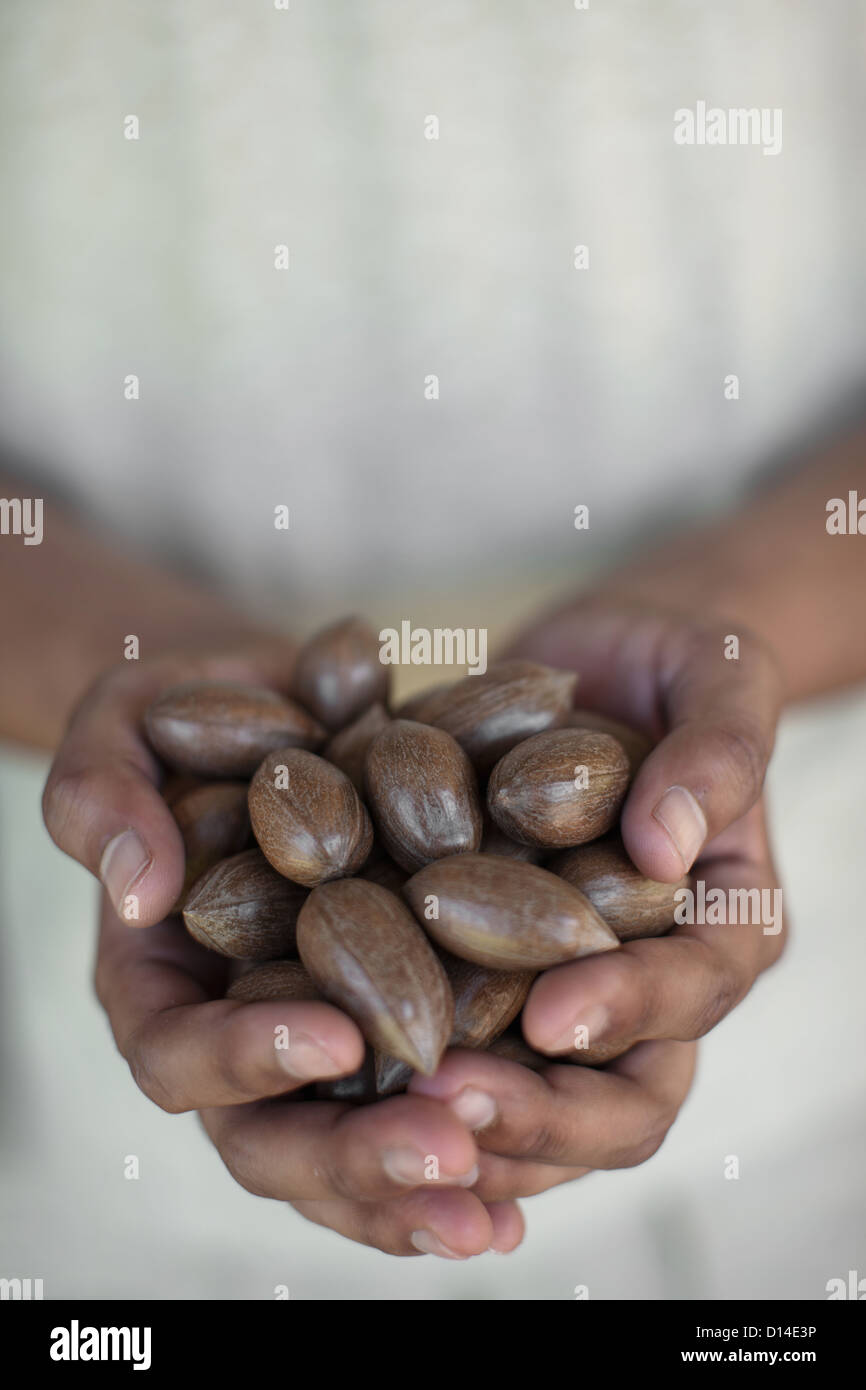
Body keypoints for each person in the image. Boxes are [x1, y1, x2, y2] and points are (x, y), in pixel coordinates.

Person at [0, 423, 861, 1259]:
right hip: (135, 1207)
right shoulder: (328, 850)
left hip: (777, 1150)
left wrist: (730, 621)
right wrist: (112, 666)